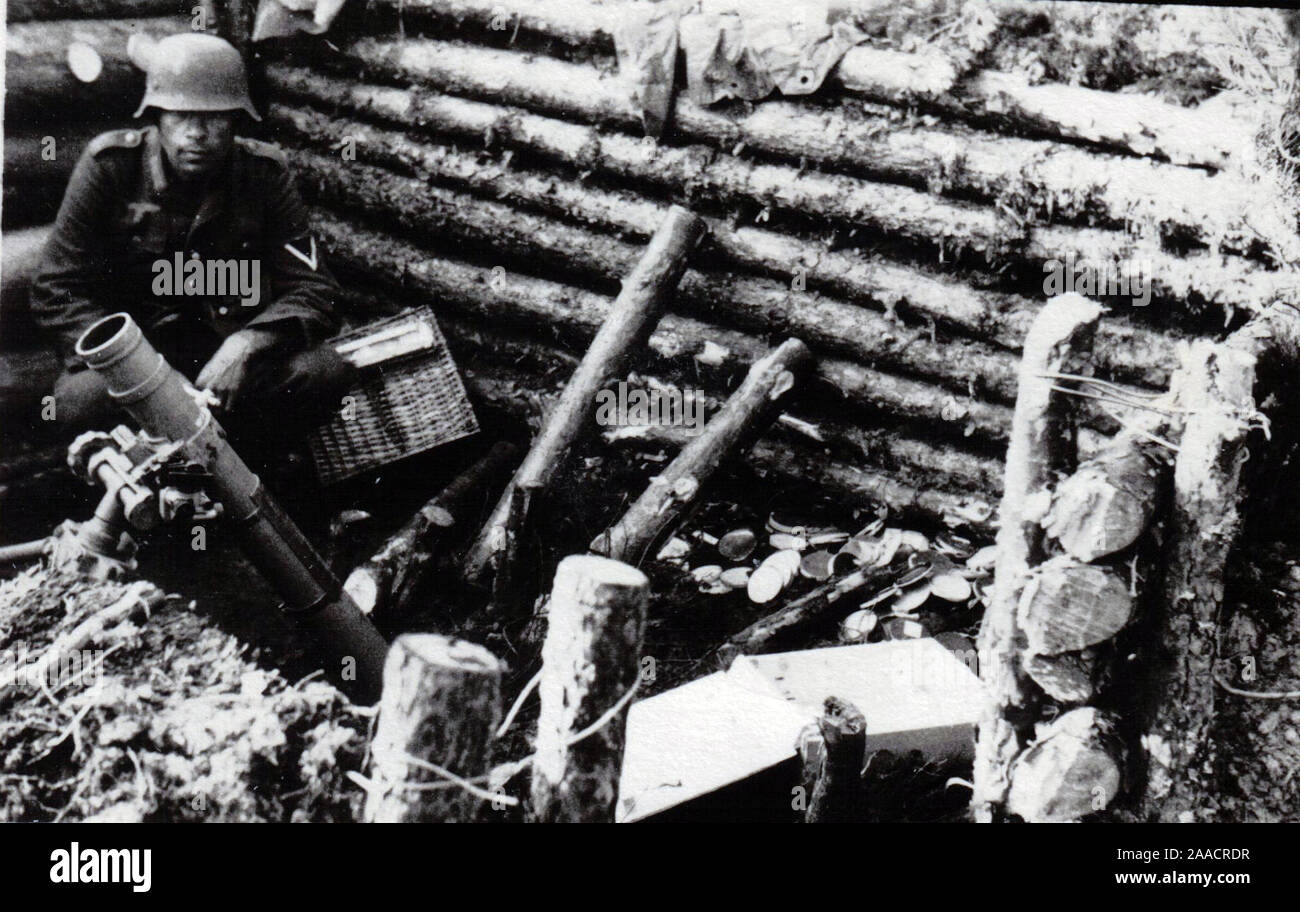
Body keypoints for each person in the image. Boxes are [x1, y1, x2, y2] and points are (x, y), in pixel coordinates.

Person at [30, 32, 353, 465]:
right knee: (77, 400)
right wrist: (148, 374)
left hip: (227, 362)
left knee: (323, 372)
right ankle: (137, 499)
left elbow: (315, 289)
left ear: (237, 120)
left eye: (214, 118)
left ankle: (251, 475)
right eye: (181, 115)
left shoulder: (264, 173)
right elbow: (56, 287)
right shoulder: (110, 168)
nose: (196, 133)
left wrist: (248, 342)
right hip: (137, 355)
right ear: (157, 115)